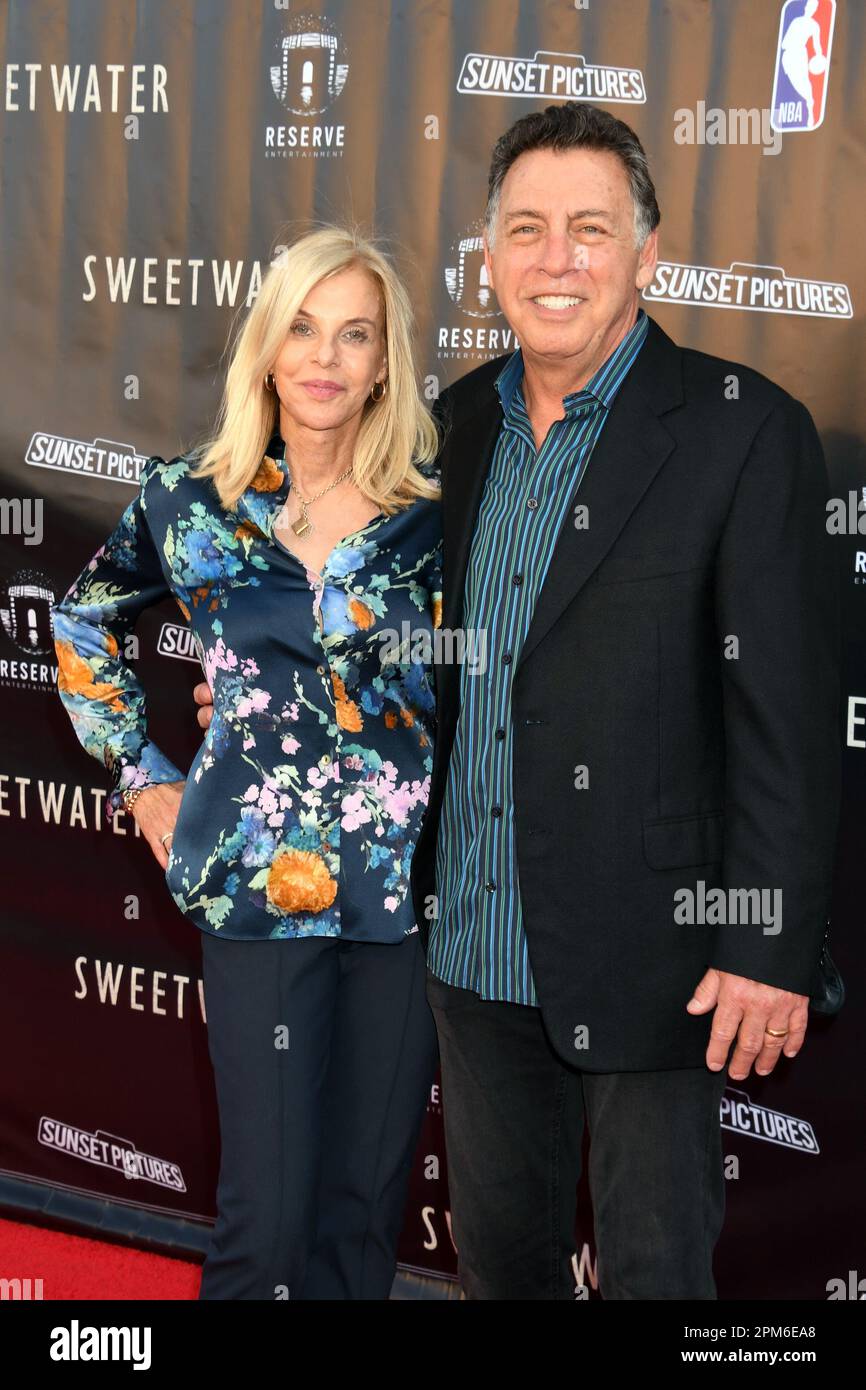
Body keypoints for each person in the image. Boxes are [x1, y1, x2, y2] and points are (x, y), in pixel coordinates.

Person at [407, 102, 838, 1299]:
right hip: (475, 954)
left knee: (654, 1277)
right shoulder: (454, 427)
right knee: (502, 1272)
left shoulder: (742, 432)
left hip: (658, 963)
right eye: (527, 229)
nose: (557, 259)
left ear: (647, 252)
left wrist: (765, 943)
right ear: (486, 256)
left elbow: (789, 721)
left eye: (590, 229)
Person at [53, 226, 443, 1300]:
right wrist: (143, 772)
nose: (325, 357)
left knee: (361, 1222)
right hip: (254, 894)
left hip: (404, 900)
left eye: (353, 334)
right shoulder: (191, 501)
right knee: (264, 1231)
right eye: (303, 328)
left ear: (382, 363)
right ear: (267, 346)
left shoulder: (435, 516)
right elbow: (81, 620)